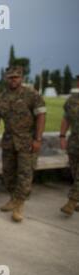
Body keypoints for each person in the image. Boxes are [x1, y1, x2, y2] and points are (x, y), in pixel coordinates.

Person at [0, 66, 46, 222]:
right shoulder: (0, 99)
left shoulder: (32, 95)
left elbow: (41, 117)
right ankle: (13, 198)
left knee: (24, 174)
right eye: (10, 77)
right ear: (6, 78)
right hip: (9, 142)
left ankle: (19, 205)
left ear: (22, 78)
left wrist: (38, 139)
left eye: (16, 77)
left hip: (27, 142)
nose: (13, 79)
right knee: (8, 173)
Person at [59, 82, 79, 215]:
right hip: (74, 142)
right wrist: (62, 136)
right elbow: (66, 119)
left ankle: (72, 201)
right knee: (75, 171)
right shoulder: (71, 101)